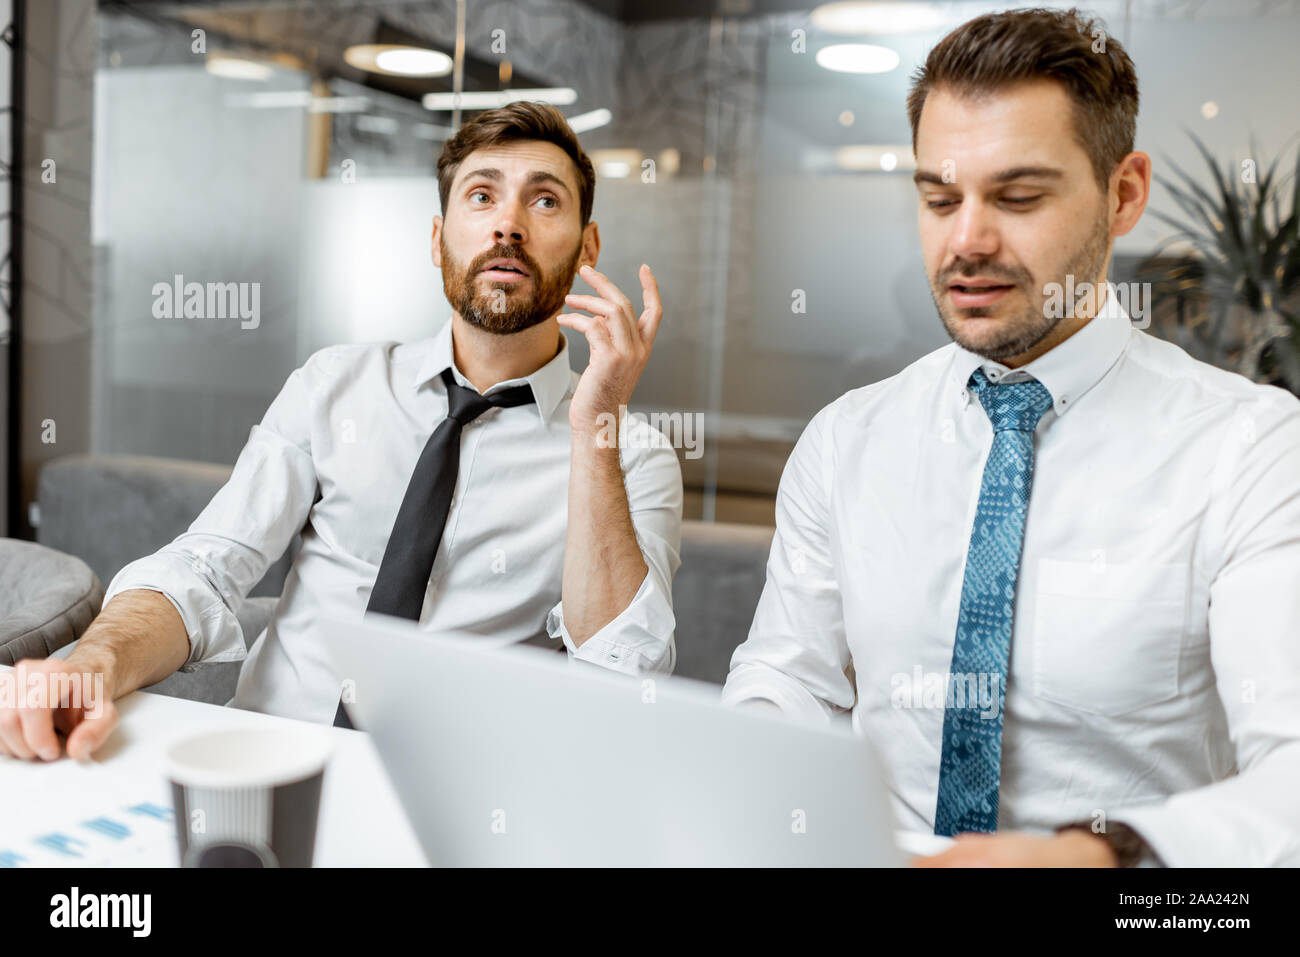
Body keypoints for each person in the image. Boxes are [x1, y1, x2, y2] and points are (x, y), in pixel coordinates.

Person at [722, 7, 1300, 867]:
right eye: (939, 198)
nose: (967, 241)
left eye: (1018, 196)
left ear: (1124, 193)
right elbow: (786, 682)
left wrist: (1101, 857)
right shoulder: (848, 440)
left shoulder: (1252, 452)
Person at [1, 102, 682, 757]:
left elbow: (622, 671)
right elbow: (202, 570)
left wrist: (597, 423)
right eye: (480, 196)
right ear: (438, 238)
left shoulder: (633, 456)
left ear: (588, 245)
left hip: (453, 809)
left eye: (544, 200)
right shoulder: (335, 387)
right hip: (267, 768)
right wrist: (90, 663)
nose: (508, 223)